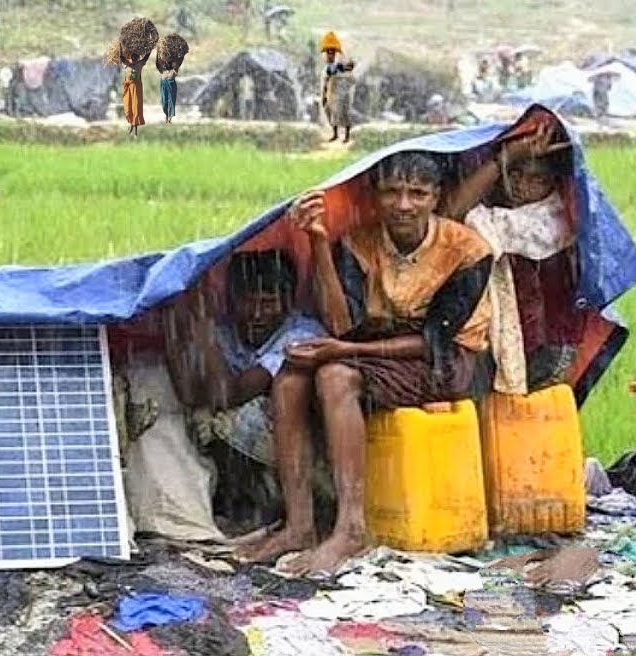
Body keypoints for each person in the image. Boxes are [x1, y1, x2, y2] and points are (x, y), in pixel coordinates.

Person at [238, 152, 493, 576]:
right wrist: (318, 241)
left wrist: (342, 353)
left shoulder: (468, 250)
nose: (404, 204)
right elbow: (343, 325)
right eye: (392, 192)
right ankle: (299, 524)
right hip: (376, 347)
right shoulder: (359, 242)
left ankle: (351, 528)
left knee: (336, 377)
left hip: (448, 360)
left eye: (418, 193)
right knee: (290, 376)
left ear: (436, 197)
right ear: (376, 196)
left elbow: (433, 341)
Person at [171, 251, 328, 528]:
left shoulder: (301, 335)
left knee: (225, 417)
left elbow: (228, 394)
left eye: (268, 303)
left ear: (289, 303)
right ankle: (237, 504)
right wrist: (183, 323)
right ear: (231, 302)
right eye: (248, 302)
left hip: (306, 457)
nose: (257, 314)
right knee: (195, 416)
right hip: (252, 458)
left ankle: (290, 514)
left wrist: (203, 324)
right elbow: (189, 393)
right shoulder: (227, 331)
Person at [443, 117, 581, 394]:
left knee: (525, 416)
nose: (521, 186)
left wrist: (506, 158)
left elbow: (451, 214)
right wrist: (506, 158)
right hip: (512, 338)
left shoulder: (550, 221)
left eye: (537, 179)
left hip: (544, 346)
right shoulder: (500, 211)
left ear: (554, 183)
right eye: (515, 174)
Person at [320, 31, 356, 143]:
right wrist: (324, 95)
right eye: (328, 52)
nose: (330, 55)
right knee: (332, 113)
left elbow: (348, 72)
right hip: (332, 95)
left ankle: (347, 135)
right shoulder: (328, 67)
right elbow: (326, 81)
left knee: (345, 114)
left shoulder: (340, 64)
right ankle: (335, 134)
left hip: (342, 94)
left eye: (332, 52)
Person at [121, 49, 149, 136]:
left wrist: (150, 49)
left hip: (136, 89)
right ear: (130, 57)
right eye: (133, 57)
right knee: (128, 107)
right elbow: (121, 57)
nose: (134, 58)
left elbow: (146, 58)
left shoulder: (139, 65)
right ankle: (131, 124)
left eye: (136, 57)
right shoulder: (126, 64)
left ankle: (135, 127)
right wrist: (120, 47)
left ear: (137, 58)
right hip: (128, 89)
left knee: (136, 107)